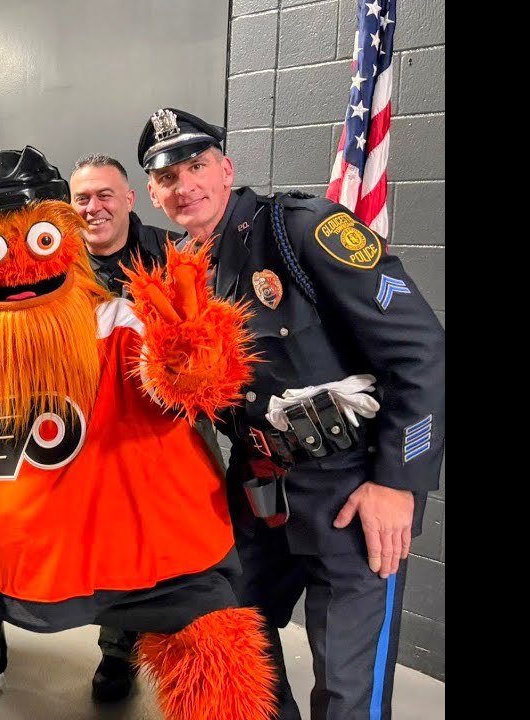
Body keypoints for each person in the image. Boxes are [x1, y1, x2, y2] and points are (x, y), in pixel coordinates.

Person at [0, 145, 274, 720]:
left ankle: (108, 655)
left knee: (211, 650)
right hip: (31, 540)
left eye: (40, 240)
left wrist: (191, 359)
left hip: (132, 536)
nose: (16, 266)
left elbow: (179, 381)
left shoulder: (117, 322)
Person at [136, 106, 446, 720]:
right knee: (231, 645)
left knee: (348, 695)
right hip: (257, 491)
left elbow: (422, 351)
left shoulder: (302, 230)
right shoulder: (182, 274)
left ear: (226, 170)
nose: (184, 186)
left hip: (351, 488)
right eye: (168, 177)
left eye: (197, 166)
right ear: (153, 192)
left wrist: (398, 483)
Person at [67, 153, 224, 704]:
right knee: (110, 543)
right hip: (98, 435)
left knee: (184, 548)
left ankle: (194, 661)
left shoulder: (175, 254)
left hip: (171, 433)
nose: (94, 208)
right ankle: (117, 650)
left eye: (105, 195)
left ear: (131, 198)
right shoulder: (59, 265)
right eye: (82, 198)